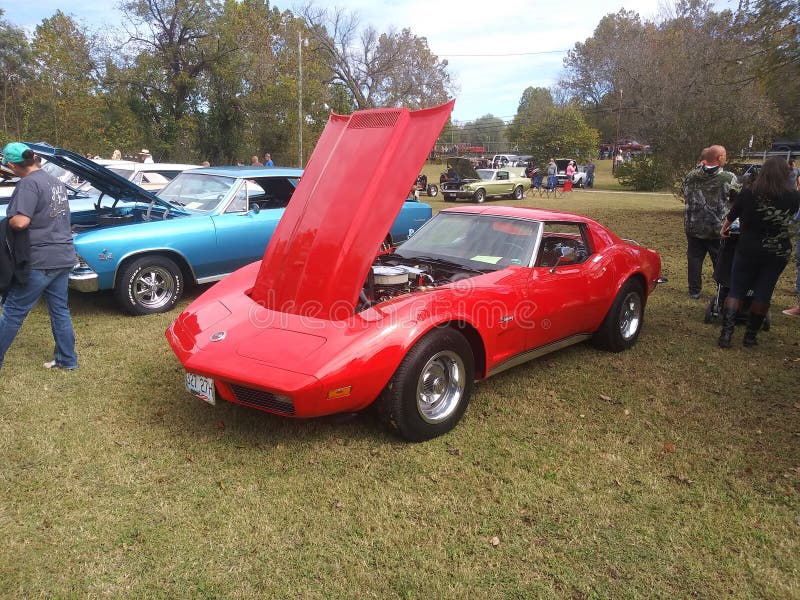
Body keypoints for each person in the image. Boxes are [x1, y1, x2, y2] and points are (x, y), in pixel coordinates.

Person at [0, 143, 78, 370]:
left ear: (13, 165)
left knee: (13, 311)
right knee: (59, 310)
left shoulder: (28, 184)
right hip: (63, 256)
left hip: (40, 260)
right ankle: (67, 360)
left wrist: (10, 221)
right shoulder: (56, 182)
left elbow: (21, 221)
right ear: (33, 158)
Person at [717, 156, 800, 347]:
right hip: (777, 250)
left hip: (748, 246)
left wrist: (724, 228)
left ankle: (726, 335)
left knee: (736, 289)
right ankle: (750, 336)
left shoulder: (749, 192)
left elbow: (732, 214)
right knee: (764, 291)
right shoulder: (794, 196)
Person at [680, 145, 737, 299]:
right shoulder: (728, 178)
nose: (726, 157)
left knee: (694, 259)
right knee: (720, 260)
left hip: (694, 226)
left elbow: (684, 192)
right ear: (719, 158)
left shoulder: (691, 176)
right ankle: (722, 289)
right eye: (725, 155)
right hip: (717, 229)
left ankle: (694, 291)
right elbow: (737, 199)